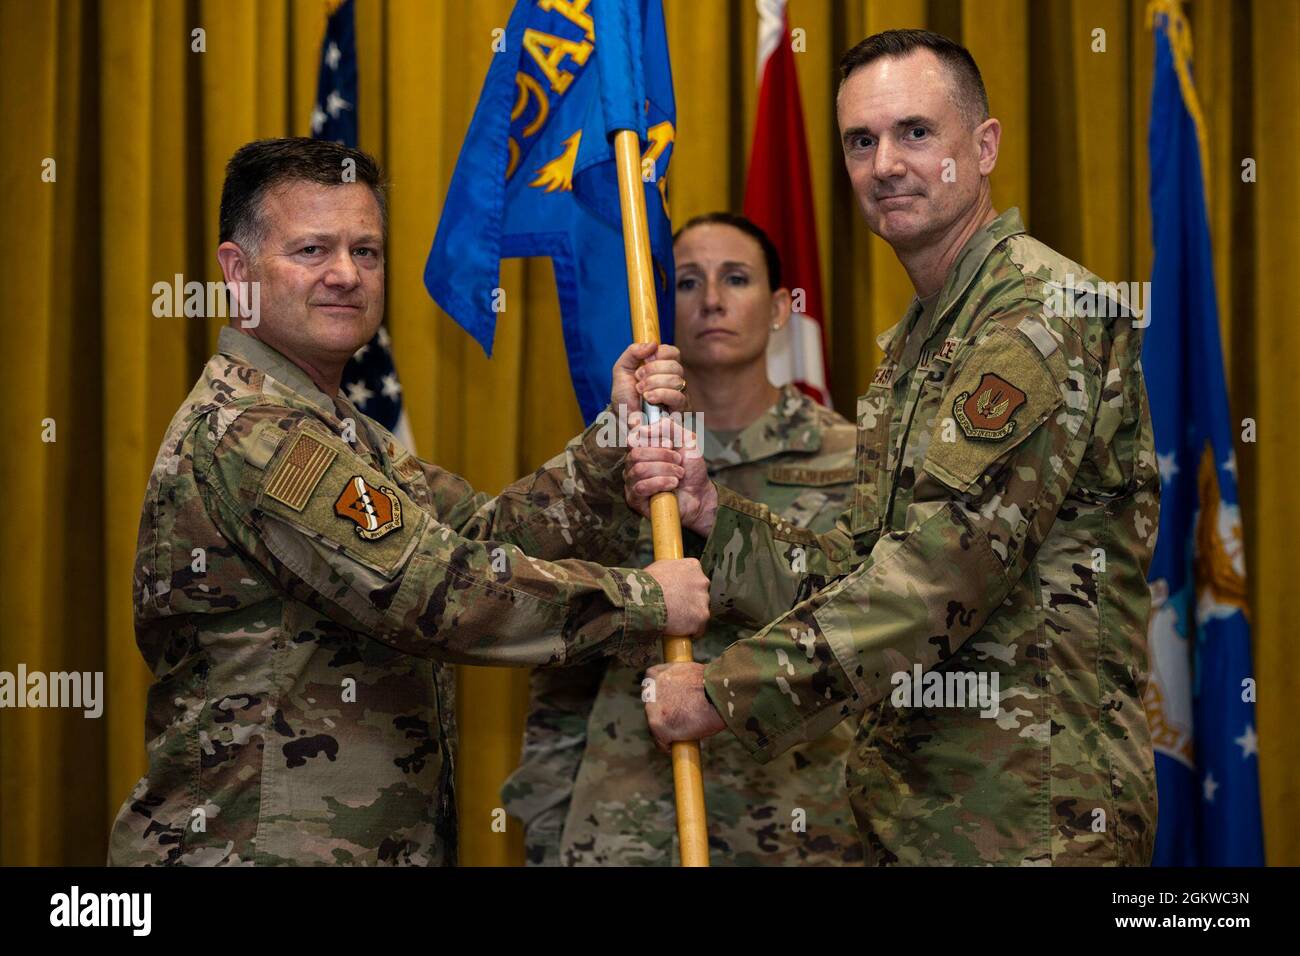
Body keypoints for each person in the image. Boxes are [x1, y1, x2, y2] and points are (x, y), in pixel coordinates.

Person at [629, 30, 1160, 866]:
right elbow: (863, 569)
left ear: (982, 147)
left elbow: (940, 577)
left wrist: (728, 692)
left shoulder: (1039, 314)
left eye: (915, 132)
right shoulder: (919, 343)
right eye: (860, 141)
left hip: (1032, 822)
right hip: (919, 819)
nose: (885, 164)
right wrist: (716, 522)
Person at [107, 137, 710, 866]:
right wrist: (645, 600)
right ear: (238, 273)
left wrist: (614, 437)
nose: (345, 275)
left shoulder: (341, 430)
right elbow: (434, 592)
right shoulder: (253, 433)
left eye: (366, 252)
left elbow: (487, 534)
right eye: (311, 251)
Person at [501, 213, 862, 865]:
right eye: (689, 283)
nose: (714, 301)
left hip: (797, 827)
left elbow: (866, 626)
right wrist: (550, 830)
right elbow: (563, 668)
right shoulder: (624, 457)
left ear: (781, 308)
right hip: (624, 825)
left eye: (737, 279)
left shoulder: (848, 458)